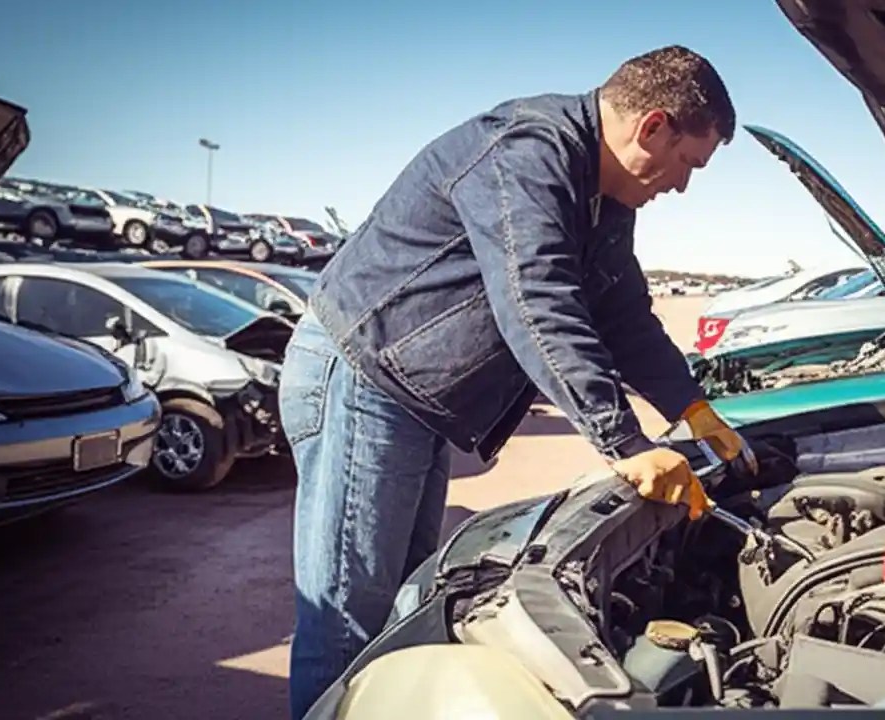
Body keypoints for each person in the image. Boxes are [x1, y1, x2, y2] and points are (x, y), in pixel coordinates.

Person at [278, 44, 755, 718]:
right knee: (347, 624)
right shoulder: (529, 155)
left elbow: (623, 317)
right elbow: (536, 300)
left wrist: (692, 408)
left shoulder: (605, 200)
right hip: (361, 380)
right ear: (652, 126)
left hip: (409, 402)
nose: (681, 186)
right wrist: (624, 442)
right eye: (687, 164)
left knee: (401, 618)